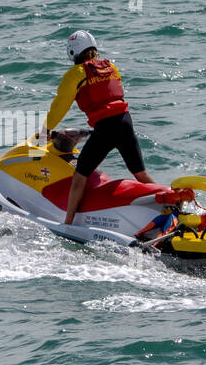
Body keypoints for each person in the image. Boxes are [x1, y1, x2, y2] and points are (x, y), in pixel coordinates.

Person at [45, 30, 155, 224]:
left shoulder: (76, 74)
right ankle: (173, 206)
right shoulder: (111, 66)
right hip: (125, 121)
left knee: (80, 175)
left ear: (72, 52)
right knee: (140, 173)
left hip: (105, 127)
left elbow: (60, 104)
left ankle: (68, 223)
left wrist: (46, 128)